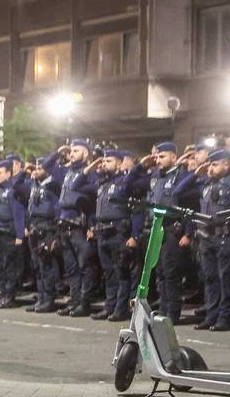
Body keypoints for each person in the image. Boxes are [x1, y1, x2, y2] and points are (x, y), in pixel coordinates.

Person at [136, 141, 198, 324]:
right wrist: (141, 165)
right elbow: (127, 183)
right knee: (160, 272)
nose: (157, 160)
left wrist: (189, 232)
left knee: (171, 273)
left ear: (173, 157)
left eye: (162, 156)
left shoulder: (182, 176)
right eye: (156, 156)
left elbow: (189, 206)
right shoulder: (155, 175)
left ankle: (173, 313)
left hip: (173, 228)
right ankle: (163, 309)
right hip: (157, 228)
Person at [88, 150, 147, 322]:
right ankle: (110, 306)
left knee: (122, 273)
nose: (104, 163)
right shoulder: (103, 183)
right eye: (104, 160)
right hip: (103, 232)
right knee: (109, 274)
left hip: (119, 232)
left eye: (109, 160)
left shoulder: (126, 183)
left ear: (120, 164)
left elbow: (137, 210)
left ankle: (121, 310)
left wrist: (135, 235)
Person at [43, 139, 99, 317]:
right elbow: (47, 166)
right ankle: (74, 301)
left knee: (85, 266)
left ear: (85, 153)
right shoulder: (67, 172)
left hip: (79, 225)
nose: (72, 153)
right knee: (71, 268)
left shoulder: (90, 173)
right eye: (71, 151)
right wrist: (59, 152)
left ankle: (84, 302)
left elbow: (92, 202)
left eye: (76, 150)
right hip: (65, 225)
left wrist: (92, 225)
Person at [195, 150, 230, 330]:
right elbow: (182, 190)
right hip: (206, 236)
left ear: (226, 164)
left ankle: (225, 318)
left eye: (214, 165)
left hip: (225, 236)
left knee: (225, 280)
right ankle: (212, 315)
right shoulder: (207, 184)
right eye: (209, 164)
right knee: (210, 279)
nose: (210, 168)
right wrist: (199, 172)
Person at [0, 160, 27, 308]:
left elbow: (18, 213)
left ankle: (10, 297)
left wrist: (19, 236)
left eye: (0, 172)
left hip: (8, 232)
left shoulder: (13, 190)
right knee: (0, 267)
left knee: (9, 267)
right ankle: (3, 295)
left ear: (9, 174)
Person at [26, 158, 62, 313]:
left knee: (47, 266)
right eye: (36, 167)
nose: (36, 170)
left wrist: (55, 235)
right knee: (37, 267)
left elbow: (57, 210)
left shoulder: (53, 186)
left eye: (40, 168)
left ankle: (49, 299)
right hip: (34, 228)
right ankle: (41, 298)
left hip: (47, 229)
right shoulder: (35, 185)